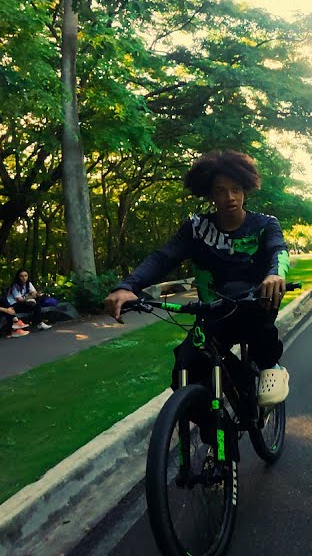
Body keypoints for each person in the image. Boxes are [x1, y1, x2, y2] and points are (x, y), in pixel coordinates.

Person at [103, 151, 290, 406]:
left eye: (236, 189)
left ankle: (271, 365)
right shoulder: (196, 227)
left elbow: (278, 251)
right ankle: (215, 423)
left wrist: (275, 275)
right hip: (213, 313)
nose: (230, 197)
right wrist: (127, 286)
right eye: (221, 191)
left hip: (255, 308)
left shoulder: (265, 224)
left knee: (239, 294)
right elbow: (163, 257)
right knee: (185, 368)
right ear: (210, 195)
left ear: (245, 189)